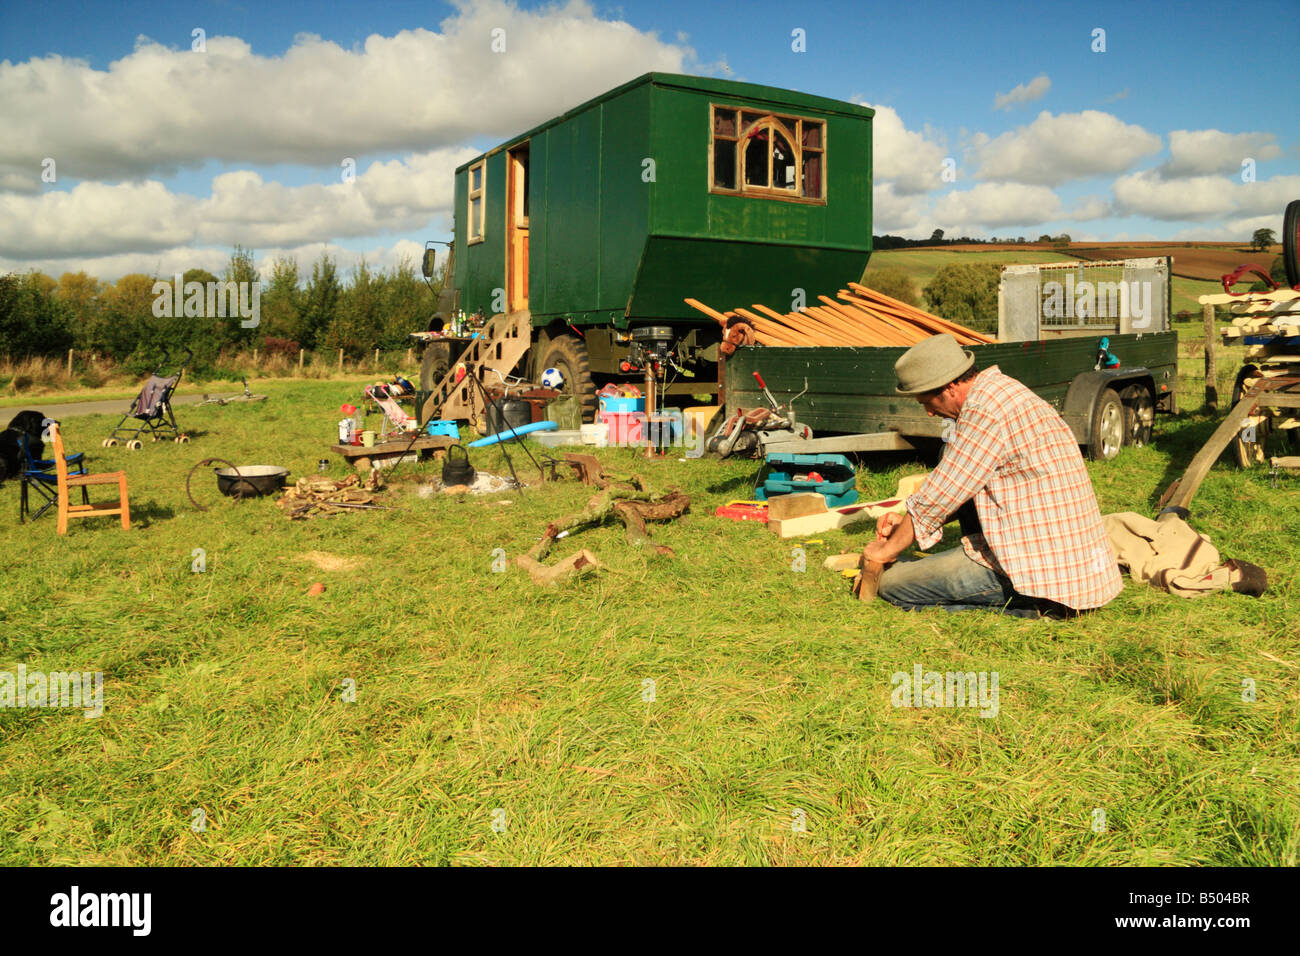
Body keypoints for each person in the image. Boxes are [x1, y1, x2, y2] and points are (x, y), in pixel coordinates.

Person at [863, 334, 1121, 618]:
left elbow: (938, 496)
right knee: (945, 457)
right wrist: (906, 525)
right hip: (1069, 558)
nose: (928, 411)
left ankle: (1040, 606)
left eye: (927, 401)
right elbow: (958, 488)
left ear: (949, 388)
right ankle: (1037, 598)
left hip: (1047, 569)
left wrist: (886, 551)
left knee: (894, 585)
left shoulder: (984, 412)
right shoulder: (999, 390)